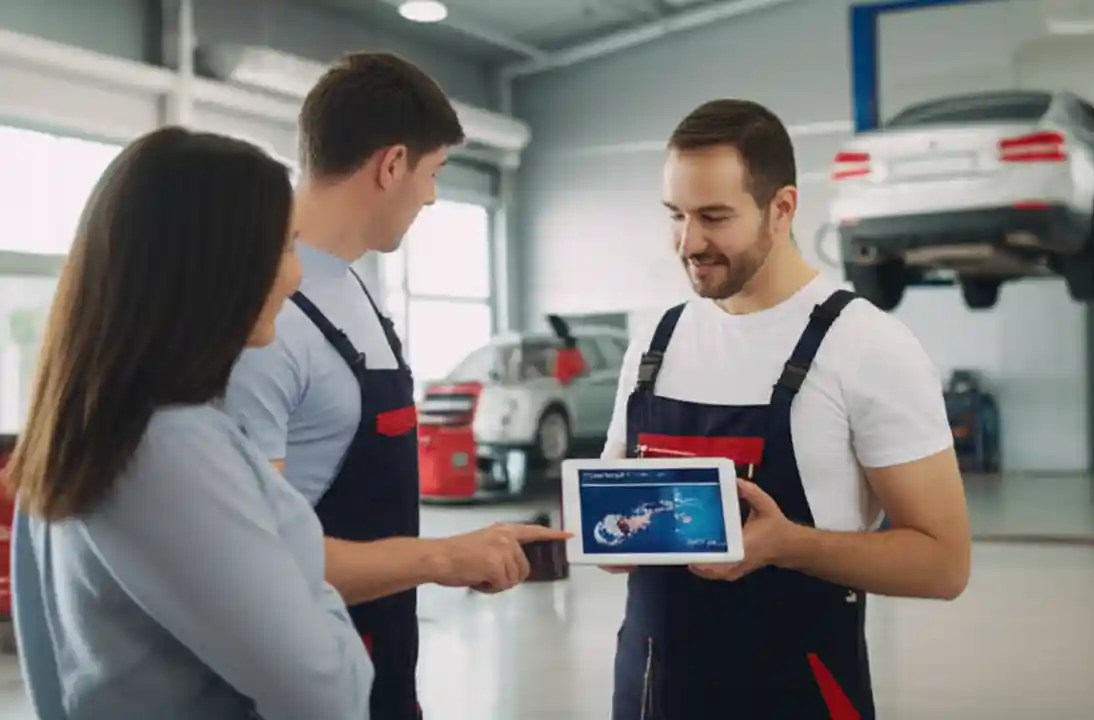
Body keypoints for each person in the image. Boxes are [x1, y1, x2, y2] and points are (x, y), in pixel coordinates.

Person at [222, 52, 568, 719]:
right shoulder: (267, 317)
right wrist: (440, 557)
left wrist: (463, 553)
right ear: (391, 164)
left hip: (378, 671)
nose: (432, 196)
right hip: (298, 689)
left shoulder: (351, 287)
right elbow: (251, 561)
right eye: (433, 174)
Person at [601, 99, 972, 720]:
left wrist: (788, 545)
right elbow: (615, 513)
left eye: (715, 217)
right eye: (677, 215)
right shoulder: (655, 343)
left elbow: (944, 564)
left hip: (797, 692)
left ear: (783, 209)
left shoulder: (864, 345)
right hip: (650, 691)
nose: (689, 242)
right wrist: (602, 532)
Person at [6, 127, 373, 720]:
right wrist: (312, 591)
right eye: (283, 248)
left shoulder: (83, 428)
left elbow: (53, 674)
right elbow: (325, 692)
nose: (296, 276)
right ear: (213, 268)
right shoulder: (168, 447)